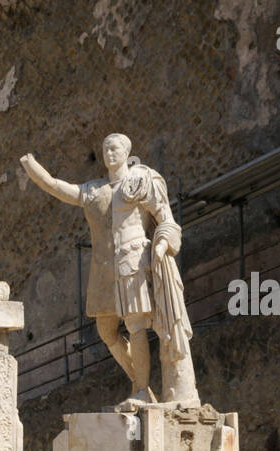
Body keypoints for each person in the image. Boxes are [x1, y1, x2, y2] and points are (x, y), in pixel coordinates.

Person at [20, 133, 199, 407]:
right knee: (106, 331)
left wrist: (163, 244)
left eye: (114, 148)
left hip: (134, 262)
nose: (108, 153)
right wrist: (34, 170)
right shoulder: (95, 190)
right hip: (104, 271)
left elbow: (167, 220)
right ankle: (141, 384)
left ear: (127, 152)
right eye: (104, 149)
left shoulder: (140, 180)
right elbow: (59, 187)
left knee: (136, 325)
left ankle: (140, 389)